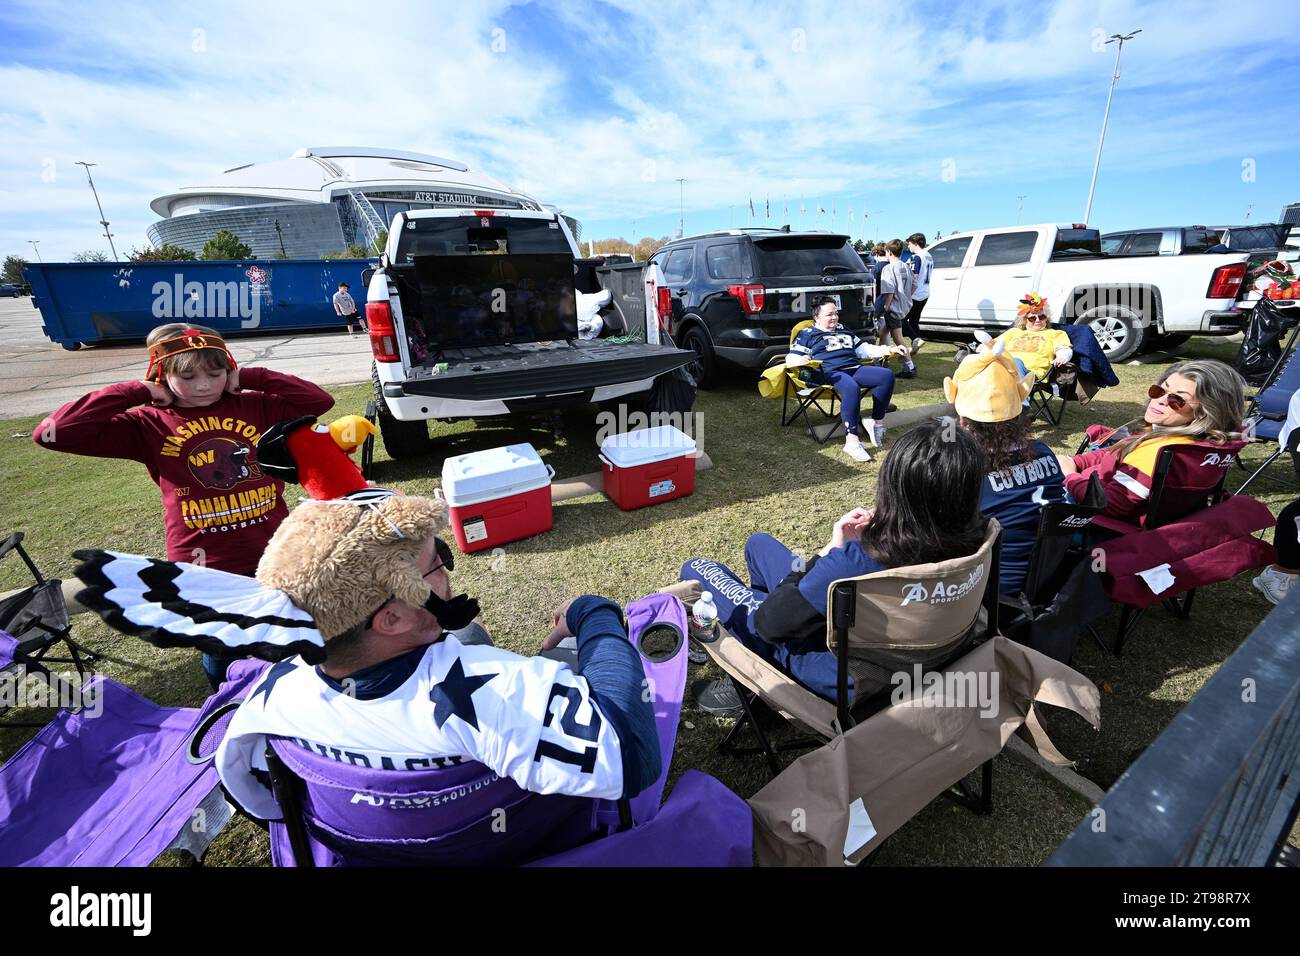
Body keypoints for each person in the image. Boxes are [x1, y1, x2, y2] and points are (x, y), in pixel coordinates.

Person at [74, 493, 663, 841]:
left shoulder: (268, 700)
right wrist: (593, 615)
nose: (448, 574)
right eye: (439, 564)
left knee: (474, 634)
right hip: (508, 834)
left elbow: (261, 800)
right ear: (391, 620)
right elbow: (632, 757)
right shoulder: (498, 689)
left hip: (375, 842)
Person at [32, 323, 334, 687]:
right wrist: (134, 391)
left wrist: (253, 375)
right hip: (202, 558)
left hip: (273, 545)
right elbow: (52, 431)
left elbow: (319, 401)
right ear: (161, 374)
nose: (204, 385)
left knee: (286, 630)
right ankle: (227, 705)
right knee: (221, 643)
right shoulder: (147, 423)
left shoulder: (256, 406)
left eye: (215, 372)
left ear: (229, 369)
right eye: (187, 376)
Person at [682, 421, 989, 712]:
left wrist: (829, 550)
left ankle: (759, 672)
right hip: (916, 661)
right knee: (758, 544)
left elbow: (767, 624)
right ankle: (758, 669)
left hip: (846, 679)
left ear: (894, 489)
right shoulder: (979, 543)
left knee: (696, 568)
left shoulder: (856, 562)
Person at [1057, 359, 1247, 523]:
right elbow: (1119, 451)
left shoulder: (1154, 452)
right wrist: (1076, 461)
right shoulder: (1195, 444)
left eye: (1177, 400)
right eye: (1160, 390)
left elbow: (1107, 507)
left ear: (1204, 413)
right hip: (1096, 486)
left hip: (1091, 514)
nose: (1161, 400)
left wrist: (1070, 476)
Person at [945, 344, 1065, 594]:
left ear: (964, 420)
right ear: (1020, 414)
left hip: (985, 587)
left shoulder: (964, 469)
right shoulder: (1043, 450)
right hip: (1050, 576)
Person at [787, 295, 903, 462]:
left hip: (853, 368)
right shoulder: (807, 334)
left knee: (886, 375)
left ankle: (876, 422)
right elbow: (791, 358)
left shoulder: (844, 329)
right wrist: (801, 360)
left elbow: (863, 349)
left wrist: (889, 349)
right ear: (817, 316)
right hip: (829, 372)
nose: (834, 317)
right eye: (829, 314)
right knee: (851, 388)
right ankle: (852, 441)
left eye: (836, 313)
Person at [991, 293, 1072, 381]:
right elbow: (992, 345)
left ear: (1047, 318)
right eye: (1032, 318)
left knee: (1016, 362)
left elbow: (1063, 348)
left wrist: (1062, 357)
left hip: (1031, 374)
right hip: (1002, 368)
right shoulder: (1013, 332)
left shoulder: (1056, 334)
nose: (1037, 320)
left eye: (1041, 317)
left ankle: (1017, 392)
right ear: (1025, 320)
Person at [878, 239, 918, 378]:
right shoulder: (905, 266)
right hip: (905, 305)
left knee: (898, 340)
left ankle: (910, 367)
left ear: (888, 252)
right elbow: (915, 284)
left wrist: (886, 306)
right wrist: (906, 296)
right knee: (883, 333)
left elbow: (889, 290)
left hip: (893, 307)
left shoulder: (888, 269)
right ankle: (882, 359)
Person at [902, 232, 932, 355]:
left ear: (915, 243)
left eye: (909, 244)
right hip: (925, 292)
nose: (908, 246)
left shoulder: (917, 256)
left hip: (915, 293)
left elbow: (915, 276)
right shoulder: (929, 255)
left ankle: (916, 340)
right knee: (914, 321)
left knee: (900, 320)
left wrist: (907, 294)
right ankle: (916, 346)